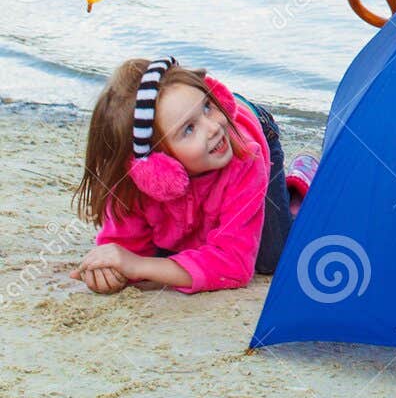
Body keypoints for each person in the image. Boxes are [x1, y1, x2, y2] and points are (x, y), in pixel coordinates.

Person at [71, 58, 313, 295]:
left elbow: (235, 265)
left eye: (207, 106)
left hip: (257, 131)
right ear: (156, 165)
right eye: (189, 129)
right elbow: (124, 251)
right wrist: (110, 270)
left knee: (272, 257)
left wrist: (137, 265)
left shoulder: (245, 154)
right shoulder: (134, 180)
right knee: (169, 252)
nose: (213, 127)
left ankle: (297, 184)